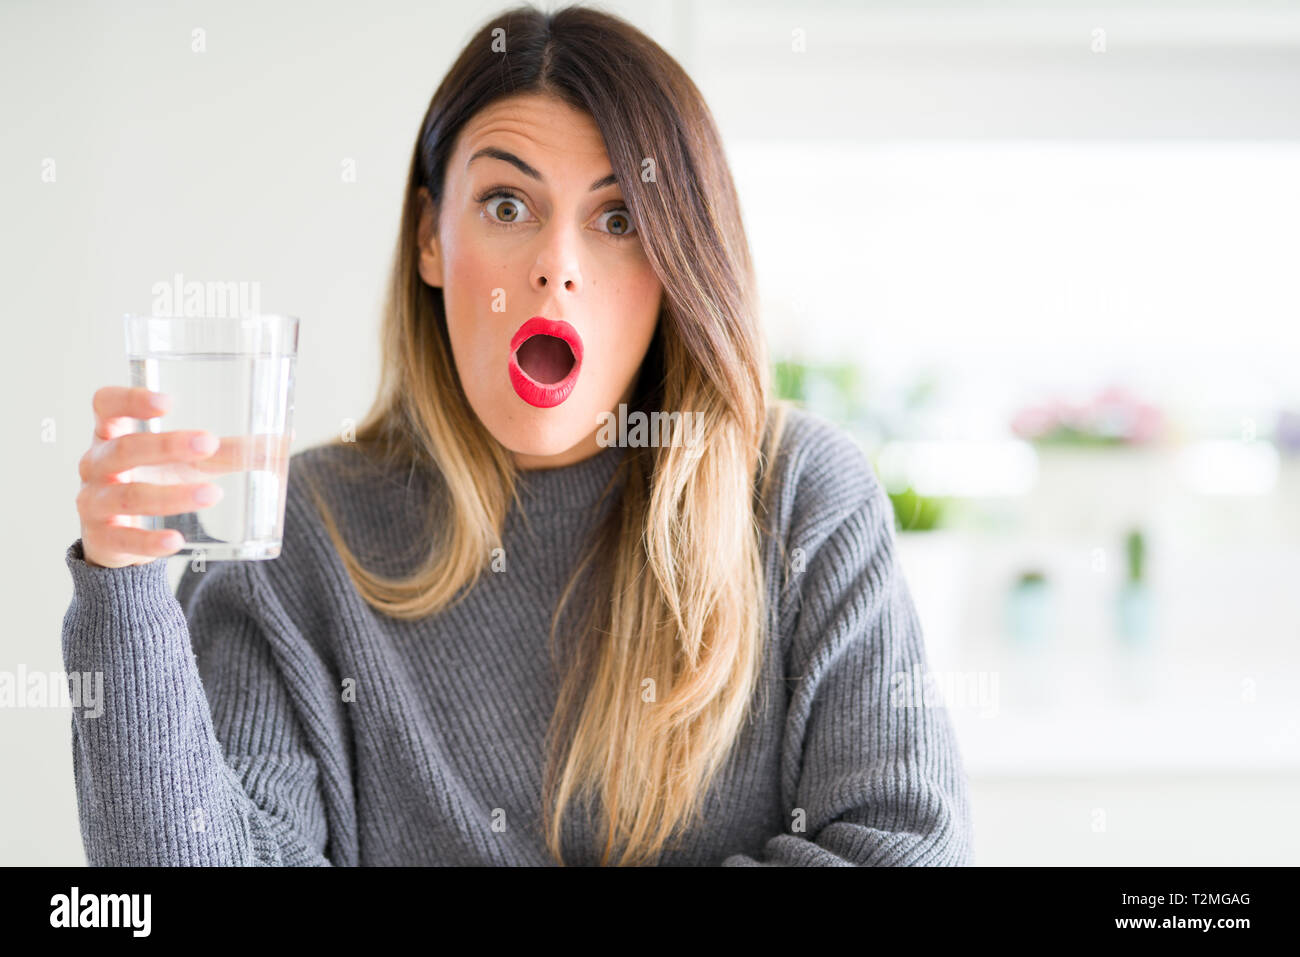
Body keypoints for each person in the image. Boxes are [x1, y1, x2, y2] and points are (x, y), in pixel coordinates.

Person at [64, 4, 974, 866]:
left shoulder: (801, 497)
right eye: (507, 205)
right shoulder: (298, 537)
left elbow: (907, 847)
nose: (556, 270)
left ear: (679, 264)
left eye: (618, 220)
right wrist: (124, 592)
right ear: (430, 236)